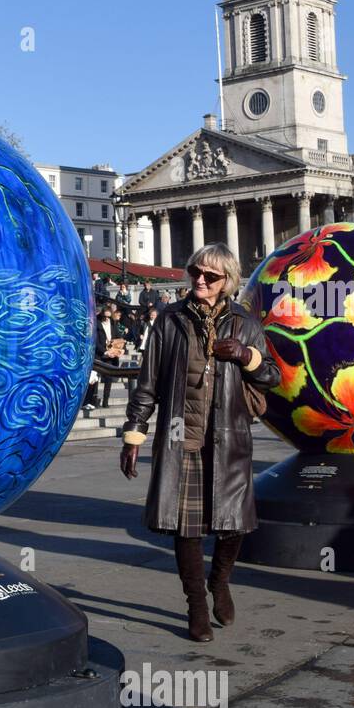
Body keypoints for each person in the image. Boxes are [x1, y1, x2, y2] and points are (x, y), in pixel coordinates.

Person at [119, 243, 279, 642]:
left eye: (210, 276)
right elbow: (148, 382)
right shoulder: (170, 320)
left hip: (228, 436)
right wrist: (134, 432)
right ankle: (196, 605)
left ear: (227, 281)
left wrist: (246, 356)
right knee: (185, 527)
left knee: (234, 524)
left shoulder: (245, 323)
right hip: (181, 439)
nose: (200, 281)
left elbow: (273, 376)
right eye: (195, 272)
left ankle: (220, 581)